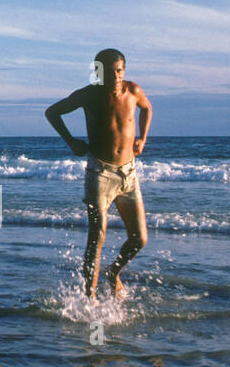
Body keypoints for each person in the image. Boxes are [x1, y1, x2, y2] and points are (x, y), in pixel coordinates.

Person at [46, 48, 152, 299]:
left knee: (139, 238)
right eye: (108, 71)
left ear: (123, 71)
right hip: (100, 173)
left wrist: (142, 138)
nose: (115, 76)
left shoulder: (133, 91)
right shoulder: (88, 95)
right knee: (97, 237)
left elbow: (147, 109)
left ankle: (113, 272)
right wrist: (71, 141)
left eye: (119, 70)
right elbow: (52, 112)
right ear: (98, 72)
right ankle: (89, 297)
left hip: (128, 174)